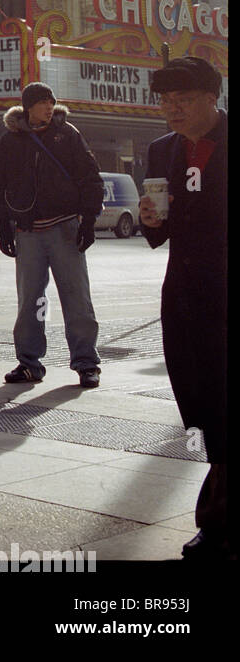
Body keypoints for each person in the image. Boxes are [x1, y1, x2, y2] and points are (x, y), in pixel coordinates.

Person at [139, 55, 228, 561]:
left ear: (212, 98)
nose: (172, 109)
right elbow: (159, 233)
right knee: (197, 397)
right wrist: (153, 220)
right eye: (165, 101)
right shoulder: (161, 151)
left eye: (183, 100)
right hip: (186, 291)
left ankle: (216, 519)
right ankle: (217, 510)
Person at [0, 83, 104, 387]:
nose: (49, 107)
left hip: (66, 227)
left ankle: (86, 364)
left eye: (51, 101)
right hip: (28, 232)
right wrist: (4, 226)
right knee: (30, 302)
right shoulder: (9, 142)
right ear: (28, 107)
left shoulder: (68, 135)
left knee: (76, 298)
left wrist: (89, 220)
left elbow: (90, 176)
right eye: (42, 102)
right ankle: (29, 364)